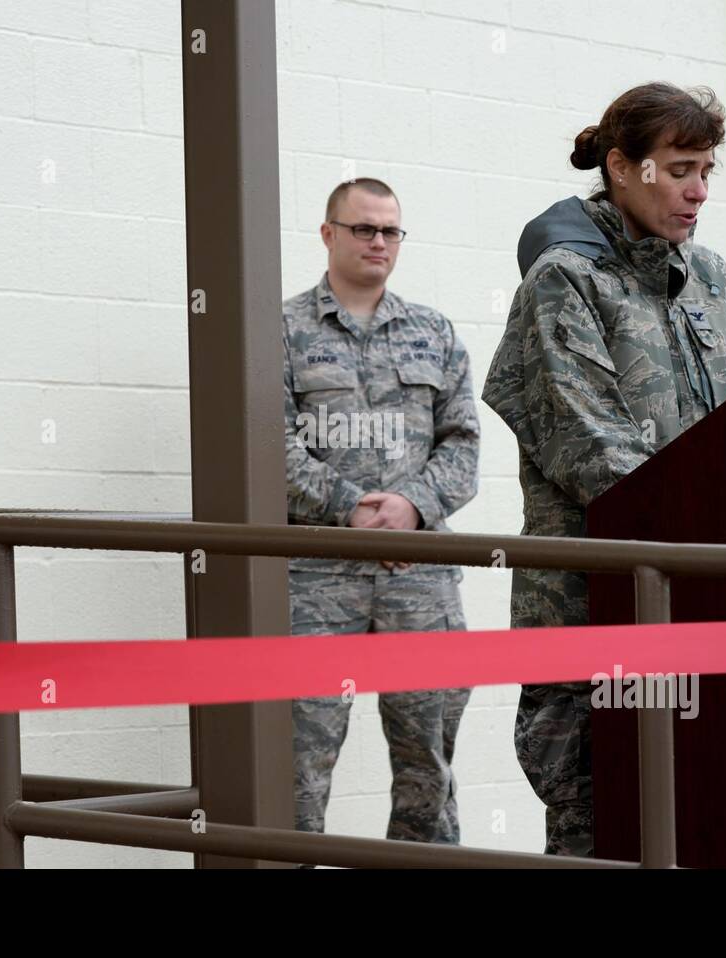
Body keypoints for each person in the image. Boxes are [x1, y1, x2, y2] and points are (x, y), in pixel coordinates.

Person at [482, 82, 726, 857]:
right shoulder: (564, 279)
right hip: (590, 609)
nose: (698, 191)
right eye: (678, 170)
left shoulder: (706, 277)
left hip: (703, 600)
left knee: (708, 815)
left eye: (707, 169)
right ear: (621, 166)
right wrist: (714, 542)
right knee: (599, 827)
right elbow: (594, 451)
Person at [284, 177, 480, 843]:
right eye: (363, 228)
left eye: (390, 230)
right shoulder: (278, 331)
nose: (378, 241)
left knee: (428, 765)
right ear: (328, 233)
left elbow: (464, 445)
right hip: (314, 579)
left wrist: (412, 507)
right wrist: (351, 511)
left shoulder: (434, 330)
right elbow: (268, 446)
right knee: (296, 766)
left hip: (418, 576)